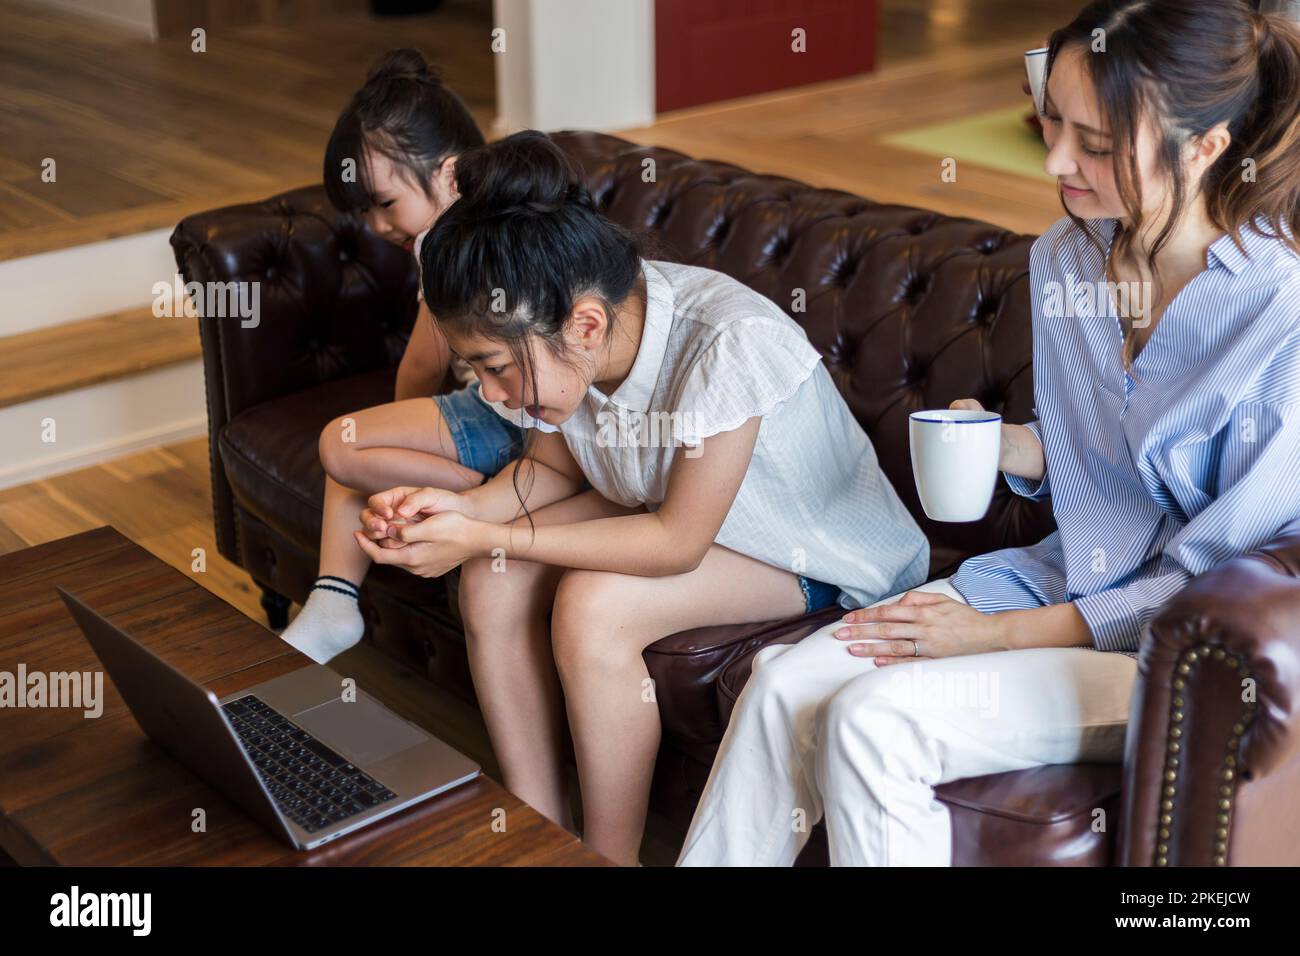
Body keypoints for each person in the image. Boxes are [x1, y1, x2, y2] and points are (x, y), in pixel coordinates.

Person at [677, 0, 1300, 866]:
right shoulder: (1067, 259)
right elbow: (1116, 465)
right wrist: (1012, 447)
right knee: (782, 684)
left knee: (871, 720)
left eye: (1095, 143)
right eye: (1054, 124)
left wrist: (999, 637)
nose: (1054, 162)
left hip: (1178, 648)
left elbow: (1215, 577)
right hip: (1046, 582)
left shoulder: (1279, 315)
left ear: (1204, 146)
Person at [350, 130, 930, 865]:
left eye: (495, 368)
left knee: (594, 603)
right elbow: (552, 474)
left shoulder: (727, 342)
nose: (491, 395)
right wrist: (453, 516)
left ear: (585, 324)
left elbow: (675, 543)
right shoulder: (580, 330)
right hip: (664, 505)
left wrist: (491, 533)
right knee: (490, 581)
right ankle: (539, 828)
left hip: (811, 549)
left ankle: (607, 856)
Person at [277, 49, 523, 663]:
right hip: (497, 411)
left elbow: (421, 365)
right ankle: (333, 600)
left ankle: (341, 597)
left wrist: (397, 455)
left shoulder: (450, 242)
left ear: (448, 174)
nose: (377, 226)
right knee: (361, 452)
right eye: (365, 212)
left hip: (511, 416)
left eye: (384, 203)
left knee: (345, 446)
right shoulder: (490, 216)